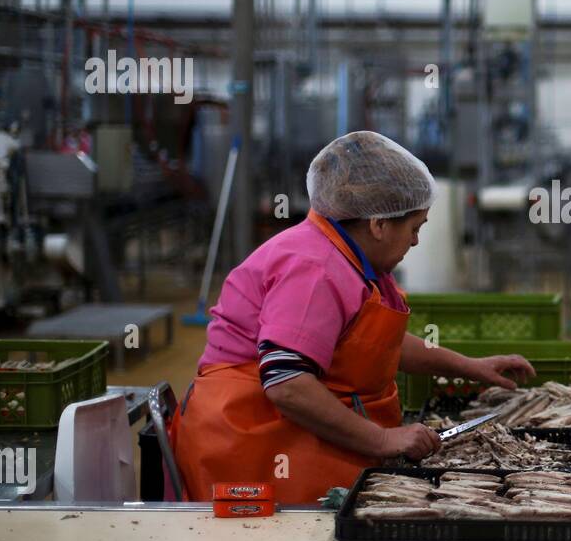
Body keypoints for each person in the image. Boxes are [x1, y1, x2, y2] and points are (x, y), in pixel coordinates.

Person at [171, 131, 535, 501]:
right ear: (378, 225)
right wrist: (382, 439)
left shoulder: (350, 260)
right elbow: (287, 382)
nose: (416, 242)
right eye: (414, 228)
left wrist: (471, 367)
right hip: (252, 447)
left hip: (293, 435)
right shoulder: (315, 270)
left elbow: (375, 343)